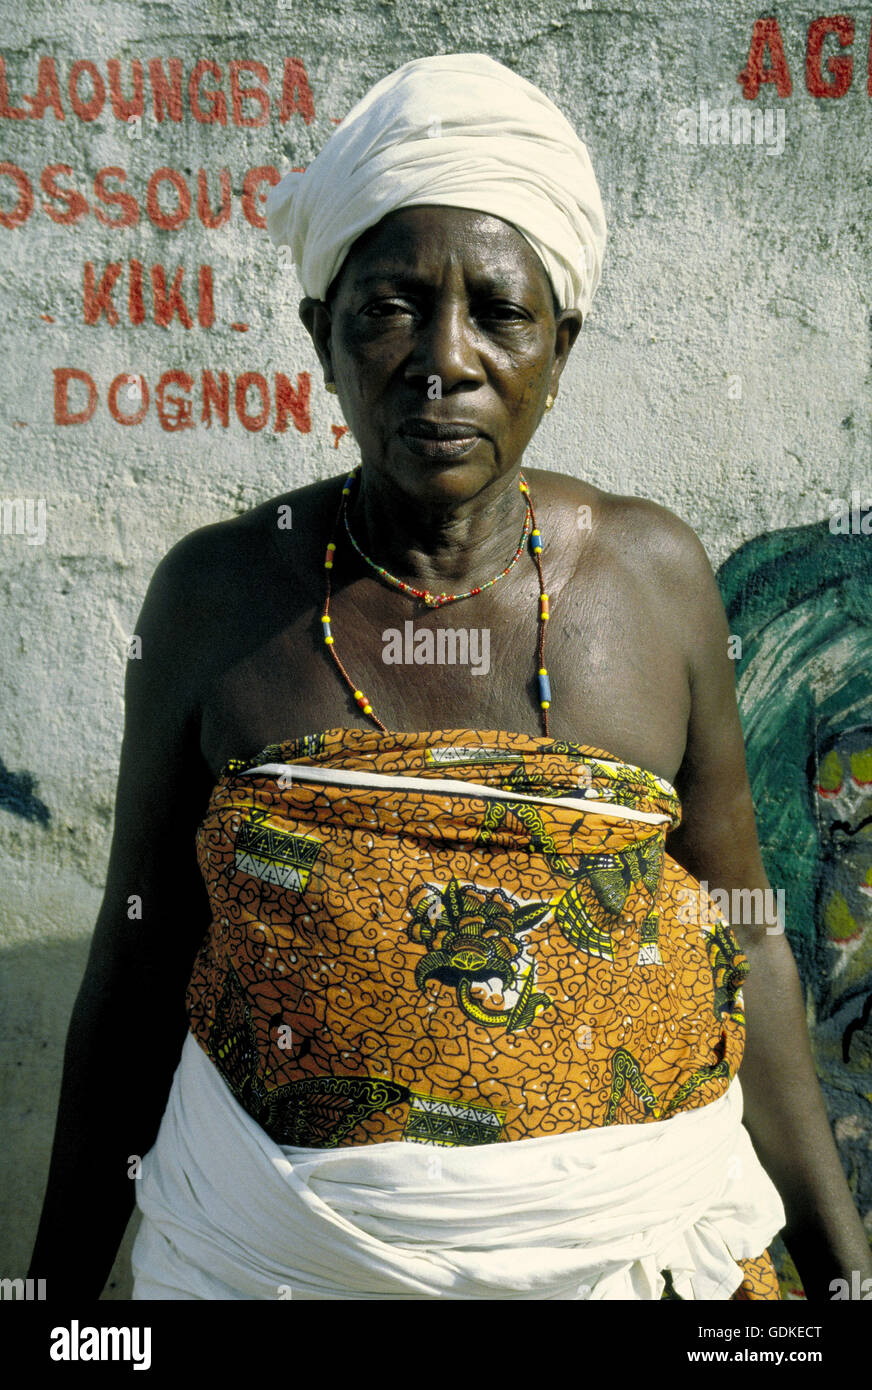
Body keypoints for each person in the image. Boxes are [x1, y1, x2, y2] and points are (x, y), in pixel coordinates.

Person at [29, 53, 871, 1301]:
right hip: (270, 1261)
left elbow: (745, 936)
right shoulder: (217, 598)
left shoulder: (648, 579)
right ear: (320, 332)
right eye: (389, 308)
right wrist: (49, 1297)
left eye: (499, 311)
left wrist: (846, 1270)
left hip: (638, 1254)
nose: (444, 359)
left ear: (559, 346)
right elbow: (143, 964)